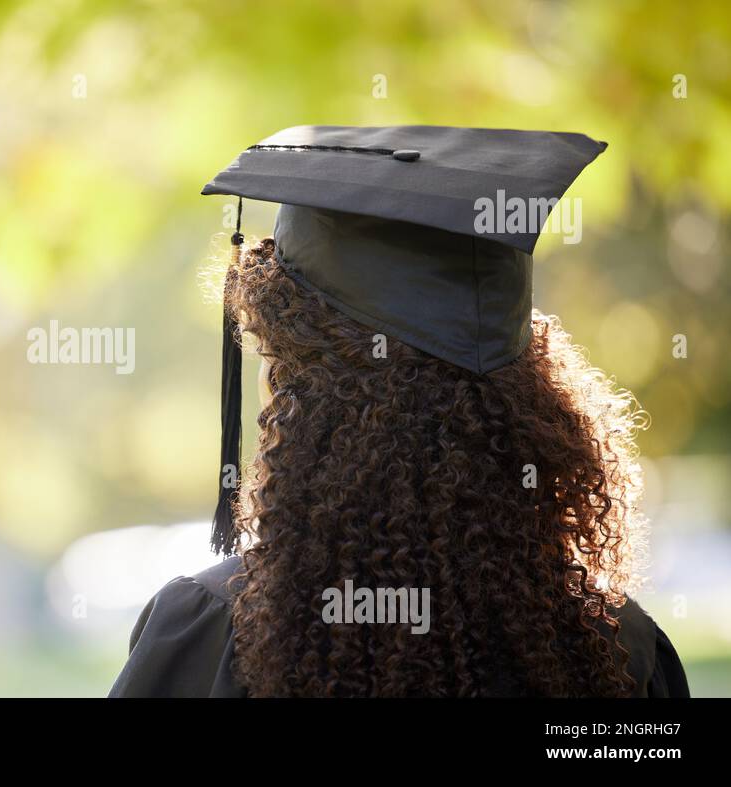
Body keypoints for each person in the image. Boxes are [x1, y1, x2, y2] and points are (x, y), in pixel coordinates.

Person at [109, 125, 689, 697]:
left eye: (272, 360)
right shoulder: (618, 650)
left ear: (294, 395)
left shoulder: (211, 631)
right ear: (528, 406)